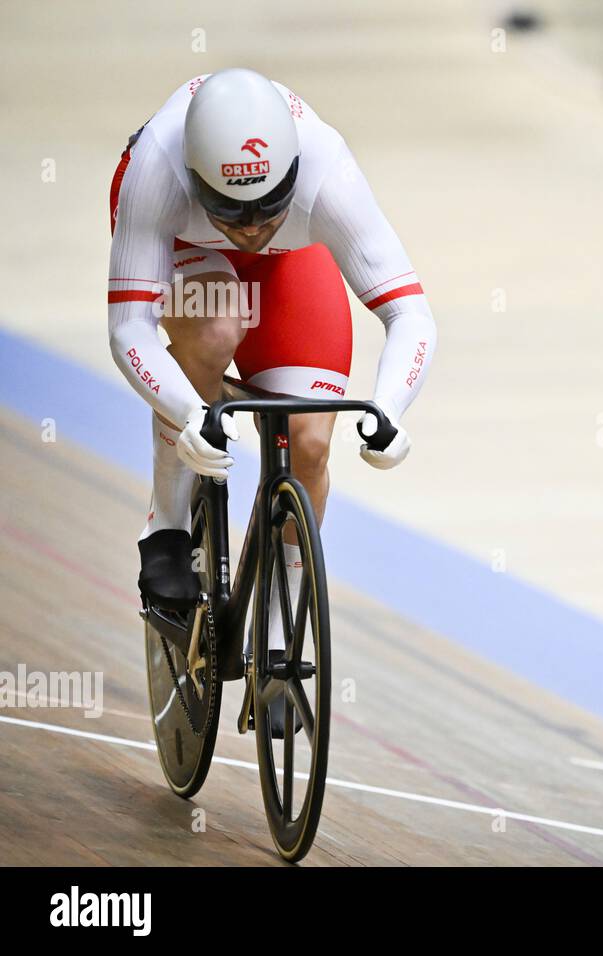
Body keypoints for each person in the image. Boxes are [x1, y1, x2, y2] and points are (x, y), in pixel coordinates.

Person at [109, 69, 436, 732]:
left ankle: (280, 635)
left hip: (294, 265)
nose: (253, 229)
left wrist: (391, 409)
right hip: (185, 251)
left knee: (311, 441)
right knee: (218, 324)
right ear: (197, 181)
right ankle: (167, 529)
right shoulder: (156, 169)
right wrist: (188, 413)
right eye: (233, 210)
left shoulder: (326, 168)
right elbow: (128, 327)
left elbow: (410, 314)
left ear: (292, 171)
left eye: (269, 206)